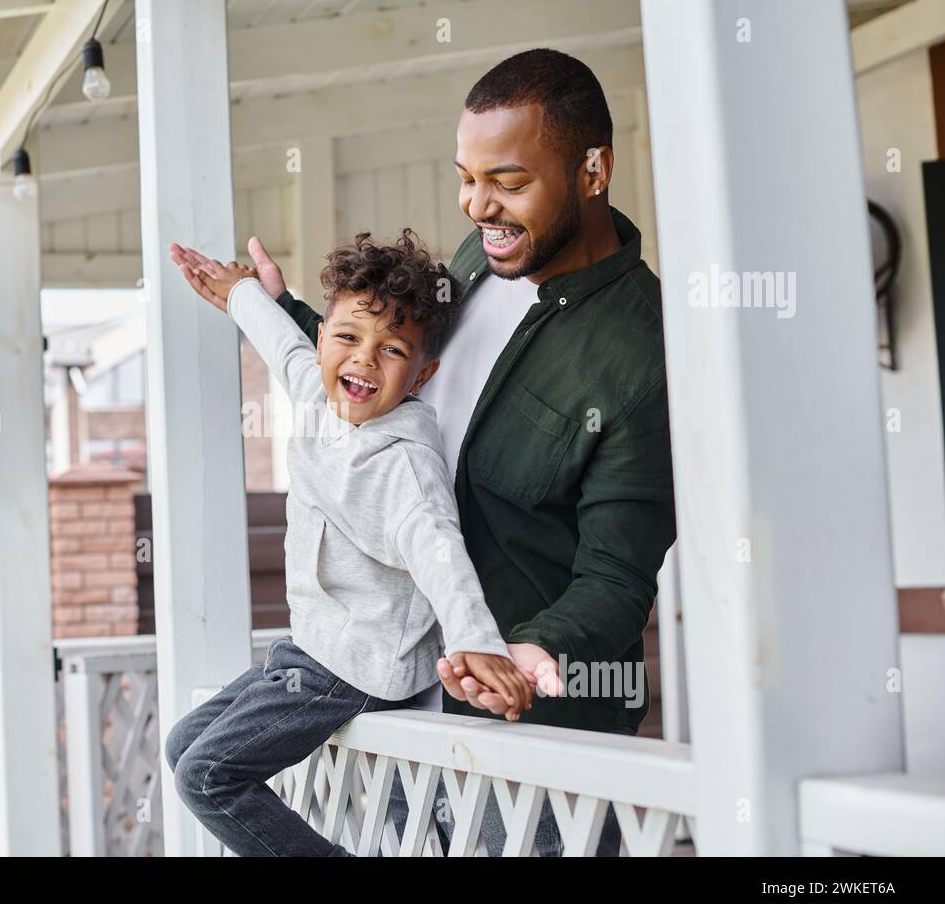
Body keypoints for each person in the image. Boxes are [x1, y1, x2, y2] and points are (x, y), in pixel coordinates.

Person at [172, 48, 676, 856]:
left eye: (508, 182)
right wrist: (286, 312)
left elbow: (617, 578)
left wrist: (528, 651)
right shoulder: (479, 261)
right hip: (404, 708)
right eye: (465, 179)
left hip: (536, 753)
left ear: (593, 171)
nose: (479, 207)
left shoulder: (644, 348)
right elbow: (381, 376)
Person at [164, 230, 538, 856]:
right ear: (324, 342)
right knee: (183, 746)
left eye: (391, 350)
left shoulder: (405, 466)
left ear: (423, 374)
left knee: (206, 777)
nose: (364, 360)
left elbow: (442, 554)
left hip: (355, 666)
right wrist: (242, 295)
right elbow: (283, 347)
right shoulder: (317, 391)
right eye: (347, 338)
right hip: (310, 646)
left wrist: (477, 642)